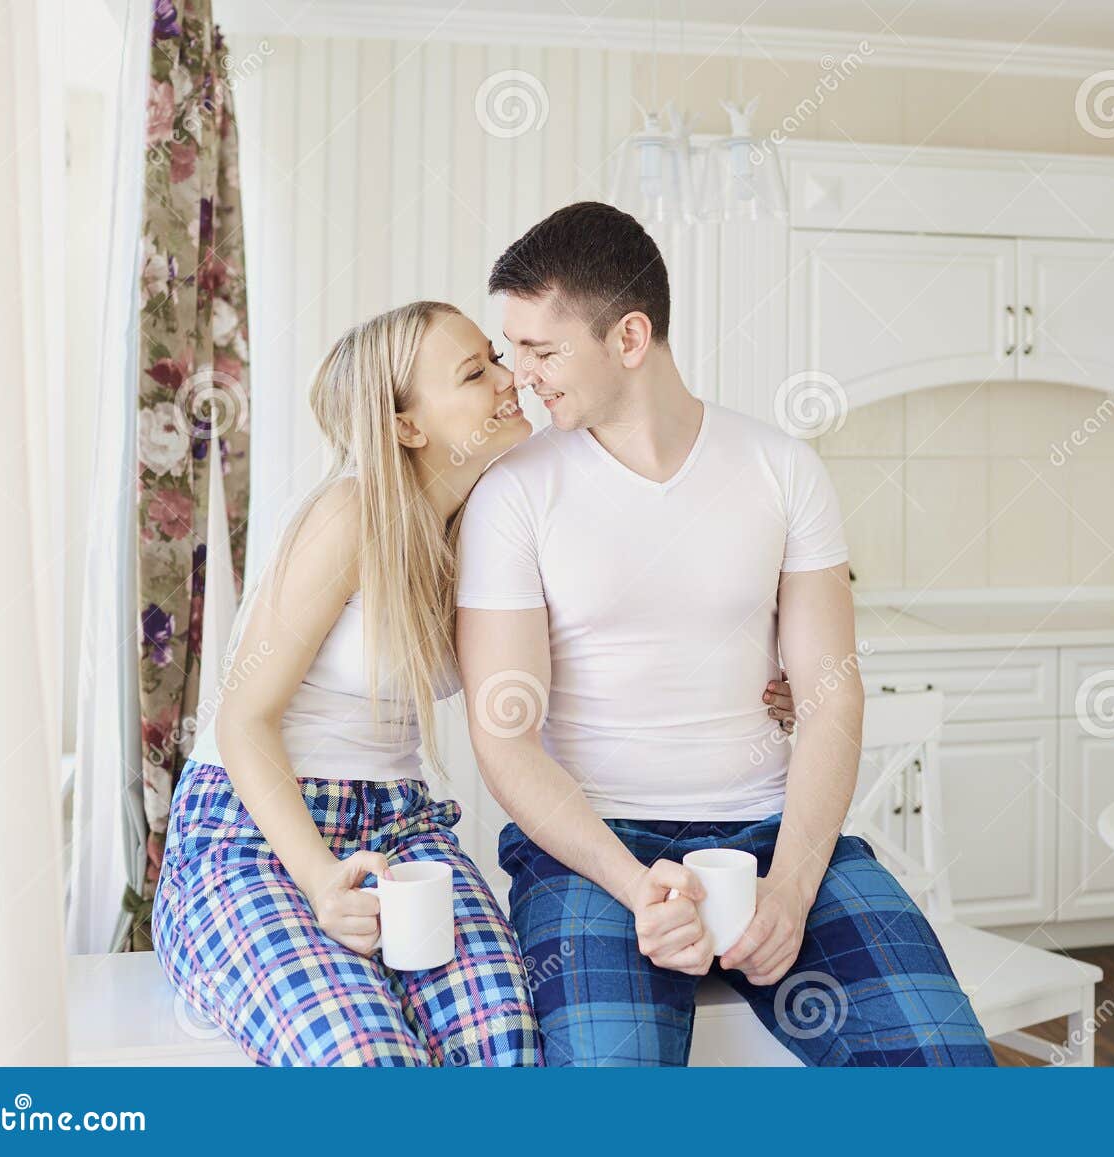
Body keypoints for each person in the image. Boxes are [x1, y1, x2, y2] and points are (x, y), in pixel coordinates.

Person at [153, 301, 799, 1066]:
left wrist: (764, 672)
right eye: (475, 372)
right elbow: (241, 720)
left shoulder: (490, 525)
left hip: (399, 827)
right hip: (256, 832)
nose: (510, 378)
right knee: (367, 1059)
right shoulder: (350, 517)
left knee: (505, 1045)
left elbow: (611, 638)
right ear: (407, 427)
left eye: (494, 357)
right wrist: (322, 881)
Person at [455, 202, 997, 1067]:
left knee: (947, 1068)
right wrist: (638, 887)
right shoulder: (514, 491)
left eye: (542, 350)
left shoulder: (782, 469)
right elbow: (503, 731)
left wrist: (789, 886)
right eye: (511, 348)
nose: (519, 376)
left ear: (629, 339)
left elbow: (829, 694)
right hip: (594, 850)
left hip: (766, 832)